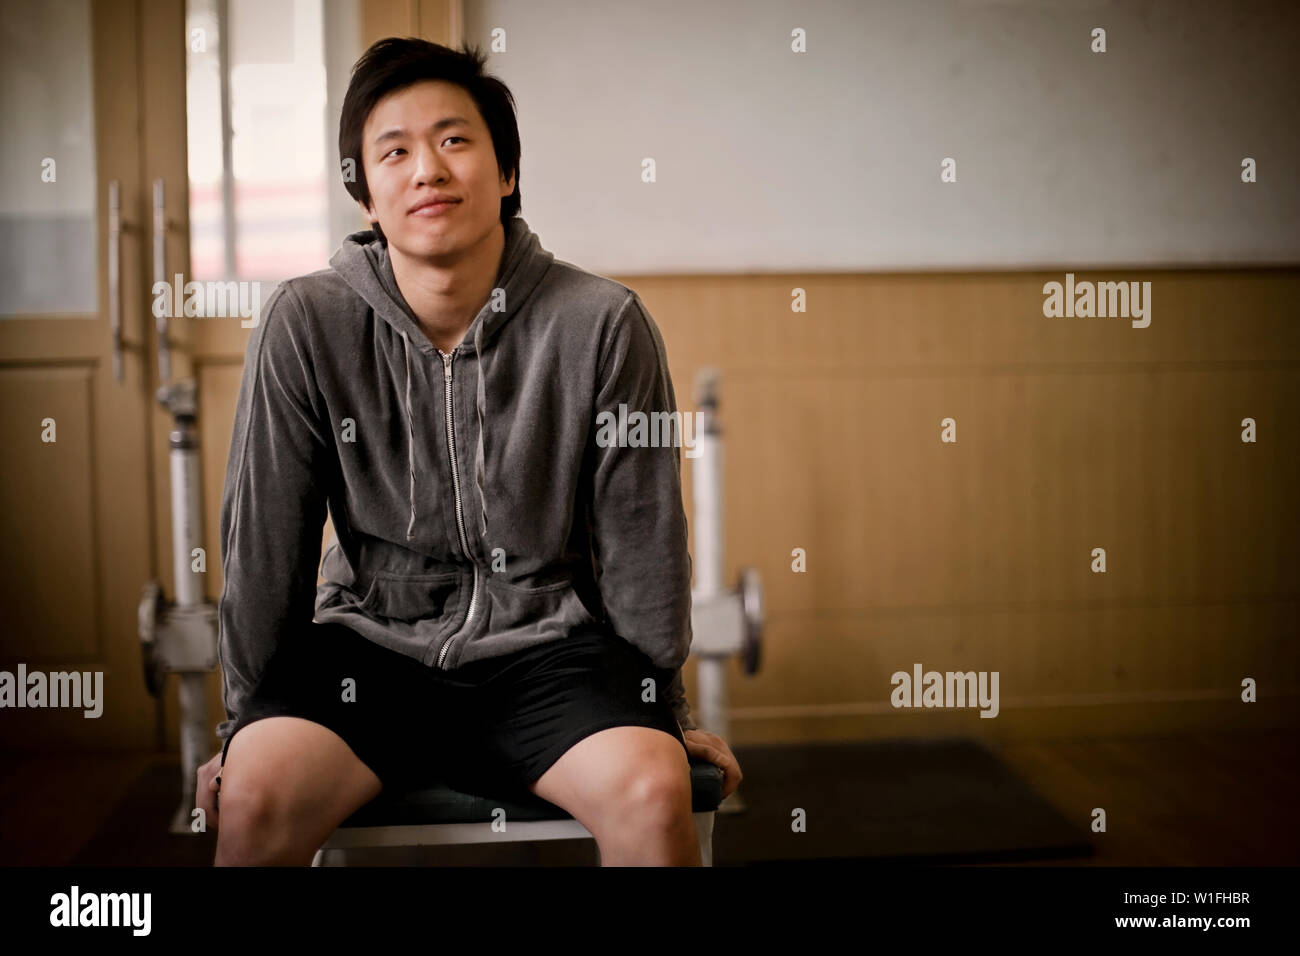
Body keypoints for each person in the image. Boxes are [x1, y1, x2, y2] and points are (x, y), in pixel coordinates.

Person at [195, 37, 740, 866]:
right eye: (395, 151)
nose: (427, 170)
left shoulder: (601, 324)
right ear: (366, 193)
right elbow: (265, 548)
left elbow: (643, 551)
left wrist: (668, 713)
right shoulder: (305, 324)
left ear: (507, 173)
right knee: (257, 795)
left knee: (652, 790)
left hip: (550, 649)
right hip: (367, 650)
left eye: (455, 140)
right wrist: (242, 726)